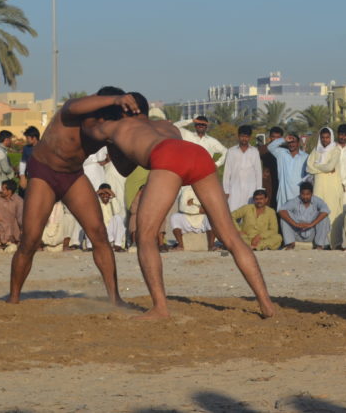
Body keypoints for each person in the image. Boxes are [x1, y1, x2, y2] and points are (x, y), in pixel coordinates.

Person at [84, 92, 275, 319]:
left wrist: (107, 113)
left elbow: (98, 140)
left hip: (166, 156)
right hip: (197, 155)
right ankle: (266, 304)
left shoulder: (114, 128)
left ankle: (160, 308)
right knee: (231, 236)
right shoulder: (166, 125)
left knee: (145, 236)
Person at [8, 88, 131, 305]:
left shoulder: (107, 128)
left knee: (99, 234)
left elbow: (123, 168)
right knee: (30, 239)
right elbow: (72, 106)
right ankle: (14, 297)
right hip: (43, 172)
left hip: (73, 175)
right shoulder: (74, 110)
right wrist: (116, 99)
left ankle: (115, 297)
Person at [306, 127, 342, 248]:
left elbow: (330, 166)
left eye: (327, 137)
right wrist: (324, 168)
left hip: (332, 186)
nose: (325, 140)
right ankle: (320, 242)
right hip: (318, 186)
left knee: (331, 213)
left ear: (331, 137)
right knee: (318, 212)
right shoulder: (316, 150)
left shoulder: (336, 150)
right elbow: (308, 167)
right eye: (323, 137)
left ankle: (332, 242)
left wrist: (317, 166)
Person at [277, 182, 331, 250]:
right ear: (300, 193)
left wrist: (311, 224)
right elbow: (281, 211)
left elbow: (326, 210)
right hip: (297, 233)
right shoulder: (295, 200)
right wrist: (295, 224)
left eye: (308, 194)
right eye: (303, 194)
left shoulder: (317, 200)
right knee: (284, 217)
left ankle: (319, 245)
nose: (305, 197)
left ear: (312, 194)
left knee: (324, 217)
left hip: (312, 233)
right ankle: (290, 244)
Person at [267, 131, 309, 216]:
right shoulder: (281, 154)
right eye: (289, 142)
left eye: (294, 142)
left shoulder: (306, 156)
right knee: (285, 224)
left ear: (298, 143)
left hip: (299, 195)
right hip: (284, 195)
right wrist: (284, 139)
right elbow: (270, 147)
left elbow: (308, 176)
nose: (291, 144)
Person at [223, 125, 262, 211]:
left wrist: (259, 191)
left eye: (246, 137)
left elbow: (258, 172)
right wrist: (226, 191)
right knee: (233, 213)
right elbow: (227, 173)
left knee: (249, 214)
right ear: (238, 136)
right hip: (234, 189)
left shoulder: (254, 151)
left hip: (251, 190)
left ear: (249, 137)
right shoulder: (231, 151)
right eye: (242, 136)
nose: (244, 139)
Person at [170, 184, 214, 251]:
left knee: (212, 217)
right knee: (175, 217)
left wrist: (193, 202)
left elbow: (209, 204)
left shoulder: (205, 186)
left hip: (202, 218)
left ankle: (211, 246)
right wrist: (199, 209)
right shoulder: (184, 187)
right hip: (187, 217)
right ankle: (180, 245)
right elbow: (183, 207)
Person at [0, 179, 24, 249]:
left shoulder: (19, 201)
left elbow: (20, 217)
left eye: (3, 189)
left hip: (11, 227)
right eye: (1, 188)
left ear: (9, 191)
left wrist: (23, 229)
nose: (1, 190)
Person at [95, 183, 126, 251]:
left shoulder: (113, 202)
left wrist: (113, 195)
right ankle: (90, 247)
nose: (104, 196)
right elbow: (89, 209)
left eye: (107, 193)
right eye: (102, 194)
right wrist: (95, 194)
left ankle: (117, 245)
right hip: (100, 231)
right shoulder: (96, 202)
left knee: (117, 217)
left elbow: (117, 211)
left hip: (111, 233)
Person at [259, 126, 284, 208]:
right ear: (270, 137)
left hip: (281, 179)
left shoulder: (285, 149)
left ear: (282, 138)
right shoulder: (263, 149)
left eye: (278, 137)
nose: (276, 140)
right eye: (273, 137)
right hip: (267, 180)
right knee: (268, 202)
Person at [18, 126, 40, 192]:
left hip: (42, 179)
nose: (26, 140)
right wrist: (22, 176)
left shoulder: (44, 147)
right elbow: (23, 162)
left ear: (34, 138)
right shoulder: (26, 148)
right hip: (30, 177)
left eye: (27, 138)